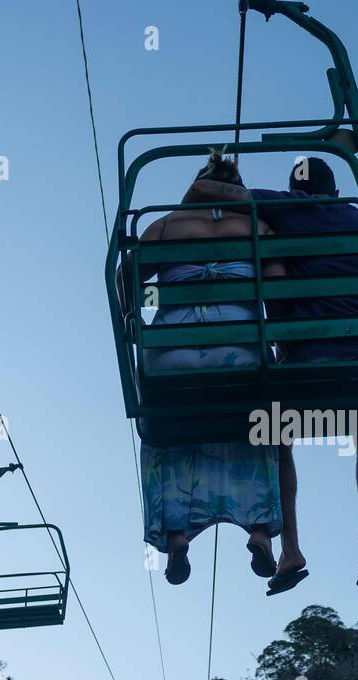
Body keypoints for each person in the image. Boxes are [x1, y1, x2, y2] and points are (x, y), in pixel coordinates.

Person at [188, 156, 358, 592]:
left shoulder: (284, 208)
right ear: (334, 192)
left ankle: (291, 548)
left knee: (278, 435)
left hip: (309, 366)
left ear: (296, 189)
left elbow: (205, 193)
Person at [121, 151, 286, 585]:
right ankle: (260, 533)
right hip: (240, 355)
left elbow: (128, 283)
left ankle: (178, 537)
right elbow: (282, 292)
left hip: (169, 356)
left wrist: (158, 306)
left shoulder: (164, 225)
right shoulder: (257, 227)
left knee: (169, 430)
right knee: (258, 425)